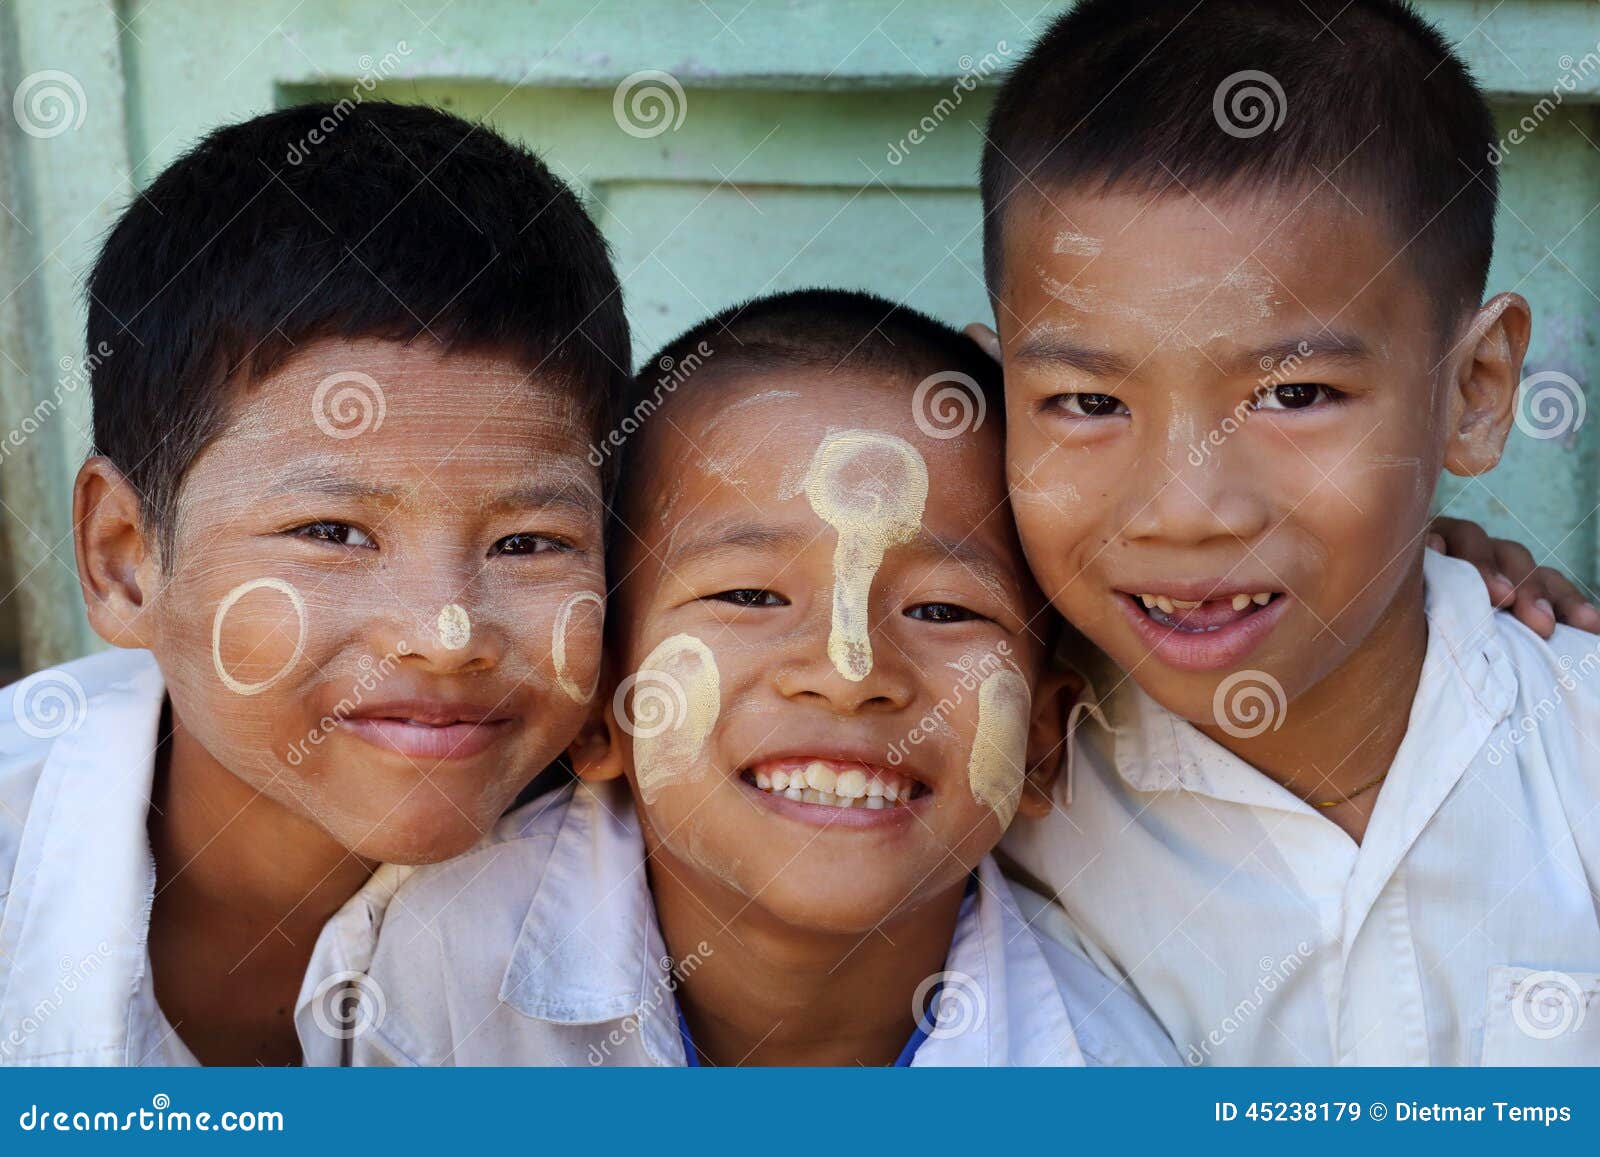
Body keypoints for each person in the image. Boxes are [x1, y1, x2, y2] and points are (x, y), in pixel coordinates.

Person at [979, 0, 1600, 1064]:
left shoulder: (1576, 761)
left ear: (1477, 390)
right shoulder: (978, 801)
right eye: (1086, 403)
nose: (1181, 508)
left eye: (1296, 393)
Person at [352, 290, 1179, 1066]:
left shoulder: (1114, 1076)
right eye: (748, 594)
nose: (849, 672)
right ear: (602, 705)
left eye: (942, 610)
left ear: (1041, 740)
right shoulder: (433, 976)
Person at [0, 101, 626, 1066]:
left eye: (529, 542)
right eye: (332, 531)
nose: (447, 631)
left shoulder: (654, 894)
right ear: (124, 557)